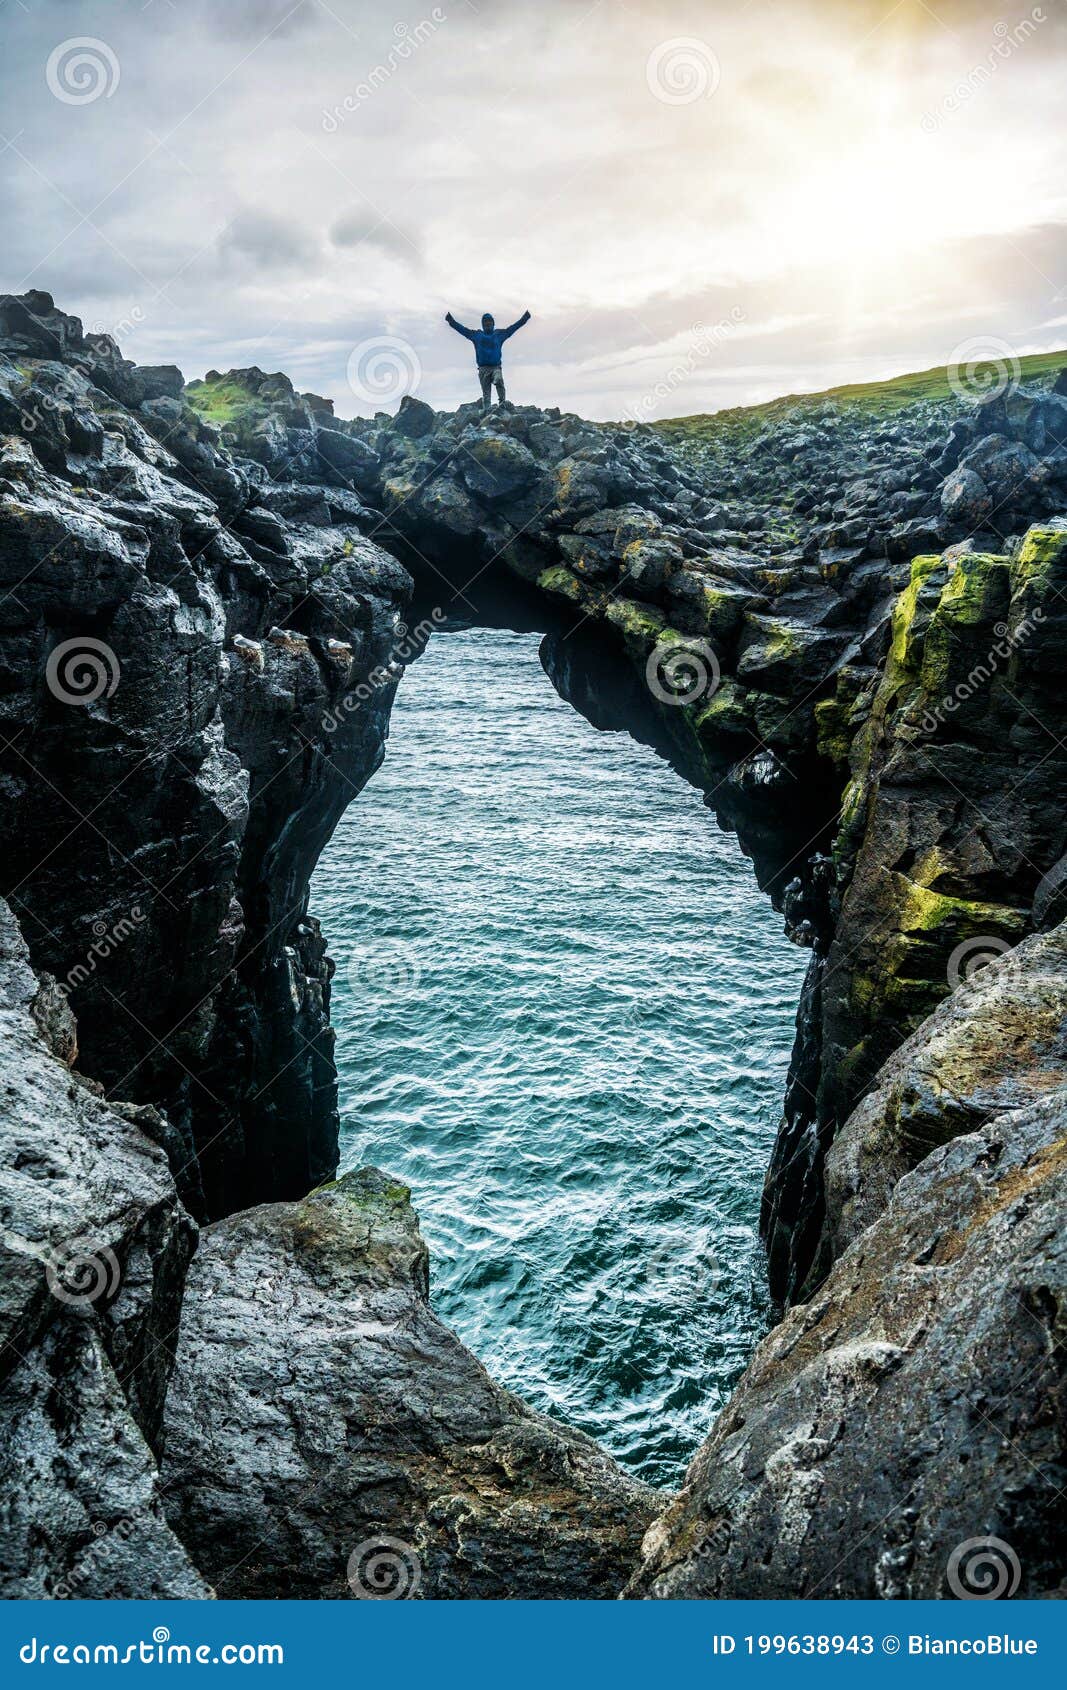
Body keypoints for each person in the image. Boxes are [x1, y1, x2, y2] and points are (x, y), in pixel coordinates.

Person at [445, 308, 531, 411]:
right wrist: (451, 321)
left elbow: (513, 328)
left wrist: (524, 318)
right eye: (485, 322)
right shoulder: (476, 335)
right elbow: (462, 330)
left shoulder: (499, 334)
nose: (487, 323)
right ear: (482, 324)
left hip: (496, 367)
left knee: (498, 380)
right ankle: (487, 413)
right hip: (483, 370)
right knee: (486, 396)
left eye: (490, 321)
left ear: (493, 323)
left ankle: (502, 403)